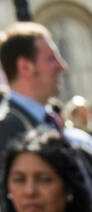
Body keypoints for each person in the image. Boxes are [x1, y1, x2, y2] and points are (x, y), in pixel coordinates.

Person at [0, 22, 66, 163]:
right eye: (51, 59)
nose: (62, 66)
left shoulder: (48, 119)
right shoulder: (7, 130)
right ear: (26, 67)